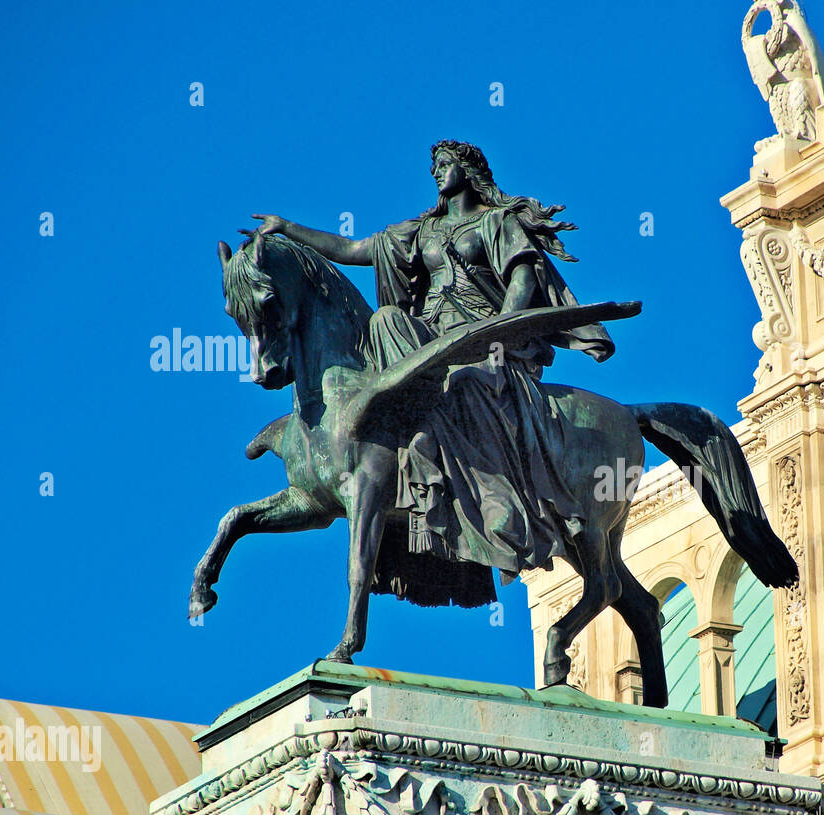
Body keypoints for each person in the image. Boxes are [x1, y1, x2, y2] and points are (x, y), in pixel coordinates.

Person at [246, 141, 614, 581]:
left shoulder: (497, 223)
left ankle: (493, 496)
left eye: (444, 165)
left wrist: (495, 334)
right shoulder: (423, 231)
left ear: (468, 169)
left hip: (488, 343)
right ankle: (409, 418)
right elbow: (354, 249)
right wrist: (288, 227)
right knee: (386, 319)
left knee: (464, 383)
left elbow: (522, 276)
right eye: (433, 167)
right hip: (431, 345)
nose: (437, 174)